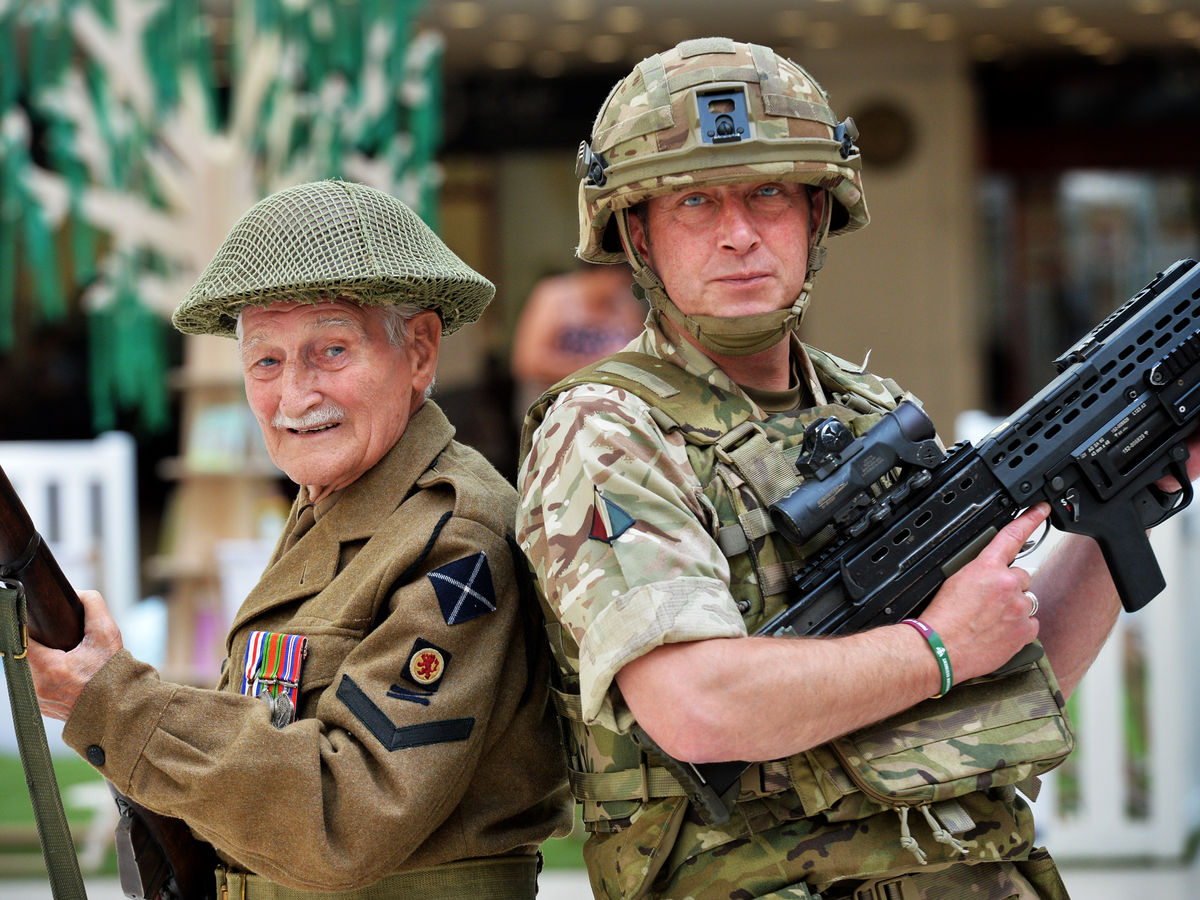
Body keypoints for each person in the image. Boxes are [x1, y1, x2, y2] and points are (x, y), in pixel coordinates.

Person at [515, 38, 1200, 900]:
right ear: (637, 234)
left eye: (767, 193)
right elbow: (699, 704)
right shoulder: (607, 430)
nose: (738, 234)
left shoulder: (868, 412)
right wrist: (937, 648)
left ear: (815, 213)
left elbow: (1020, 685)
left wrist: (1120, 504)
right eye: (694, 201)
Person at [29, 180, 571, 898]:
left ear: (418, 351)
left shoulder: (455, 536)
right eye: (265, 361)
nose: (294, 397)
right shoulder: (340, 507)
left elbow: (347, 814)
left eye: (332, 351)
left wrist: (111, 701)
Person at [510, 261, 645, 420]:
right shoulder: (555, 296)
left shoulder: (625, 304)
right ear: (603, 273)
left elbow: (640, 359)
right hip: (552, 408)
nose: (621, 289)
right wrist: (595, 368)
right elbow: (528, 362)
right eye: (620, 281)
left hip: (607, 411)